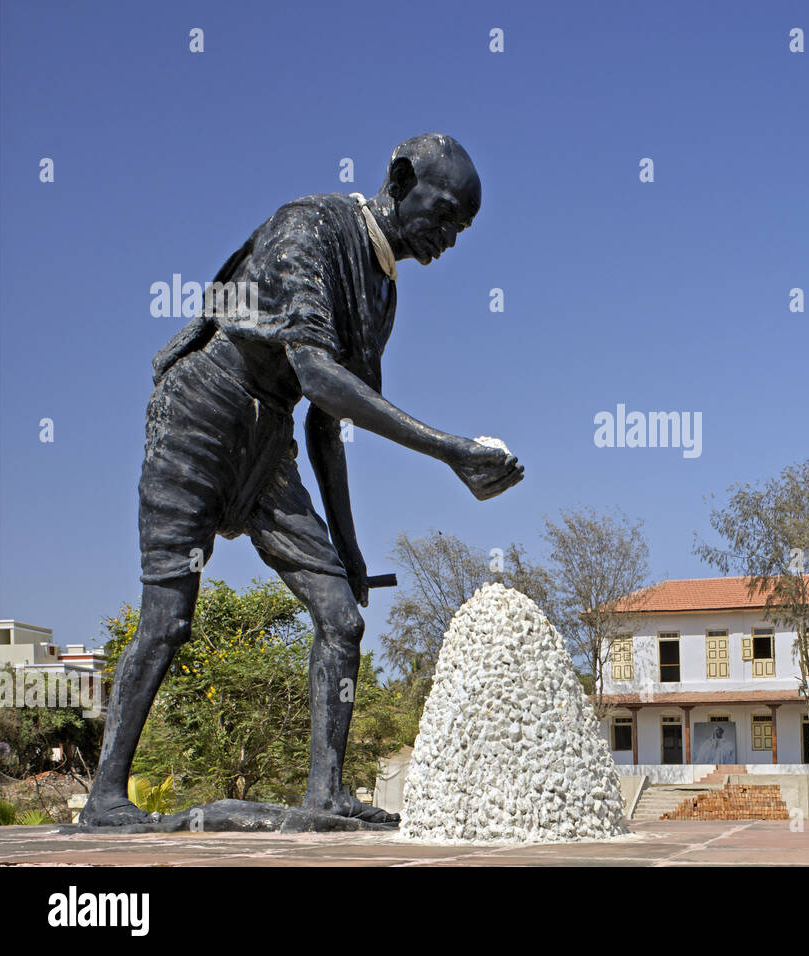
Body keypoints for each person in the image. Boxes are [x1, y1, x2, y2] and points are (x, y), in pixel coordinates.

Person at [82, 134, 522, 826]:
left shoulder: (382, 293)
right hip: (201, 411)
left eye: (461, 229)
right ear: (401, 181)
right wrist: (448, 451)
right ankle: (104, 795)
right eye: (442, 215)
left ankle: (327, 791)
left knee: (341, 616)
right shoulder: (309, 227)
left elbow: (326, 418)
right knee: (169, 620)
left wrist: (348, 547)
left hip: (269, 441)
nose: (448, 239)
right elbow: (318, 374)